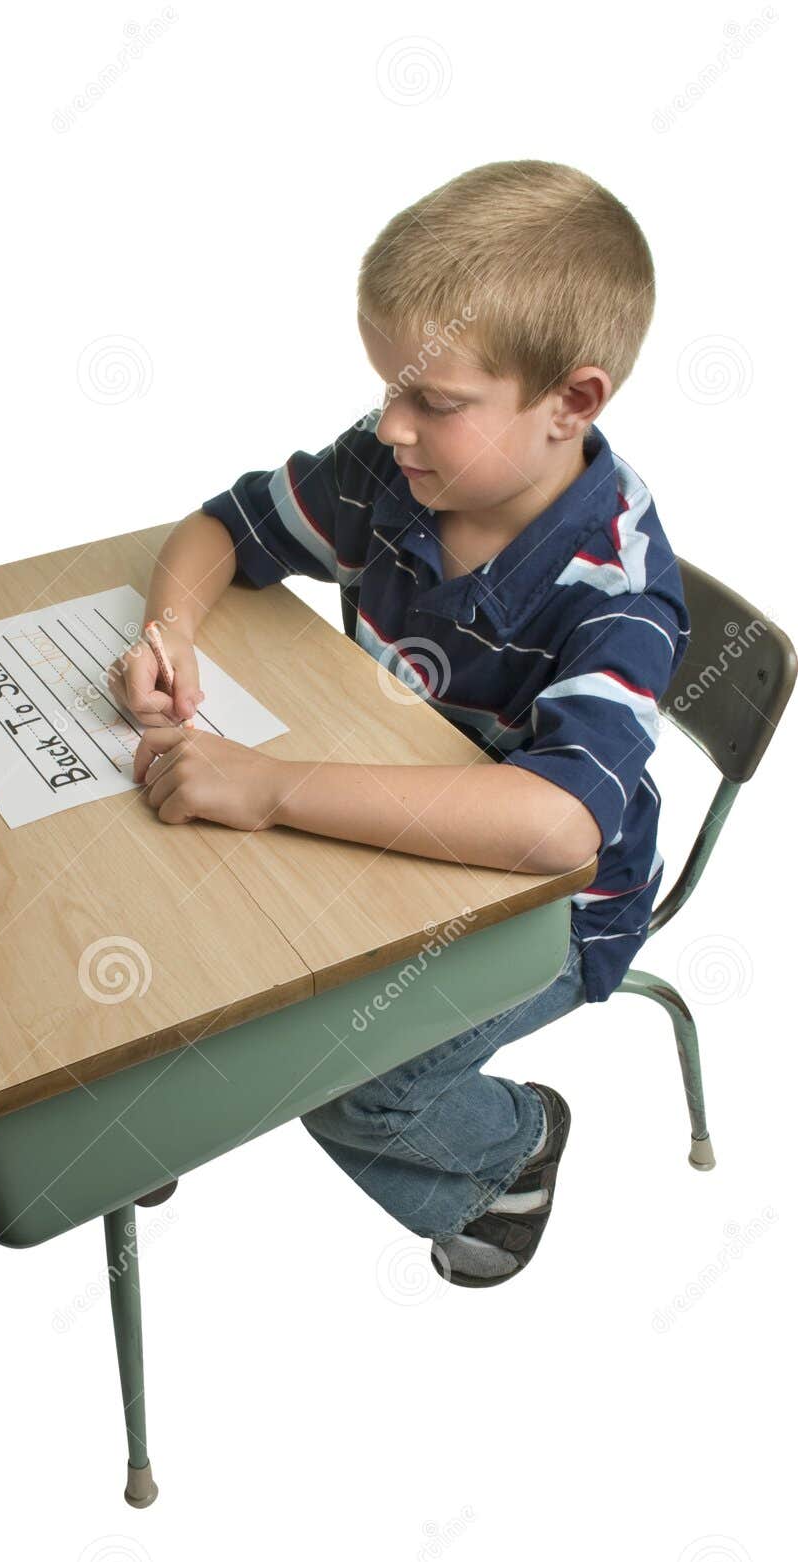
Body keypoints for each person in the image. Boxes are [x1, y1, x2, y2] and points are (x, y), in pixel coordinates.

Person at [109, 159, 688, 1288]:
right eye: (388, 388)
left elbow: (561, 827)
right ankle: (172, 1096)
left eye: (433, 400)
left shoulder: (617, 593)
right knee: (166, 887)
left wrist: (268, 787)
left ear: (570, 402)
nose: (389, 425)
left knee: (346, 1071)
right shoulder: (393, 470)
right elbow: (223, 528)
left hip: (554, 909)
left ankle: (508, 1149)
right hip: (389, 810)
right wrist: (170, 633)